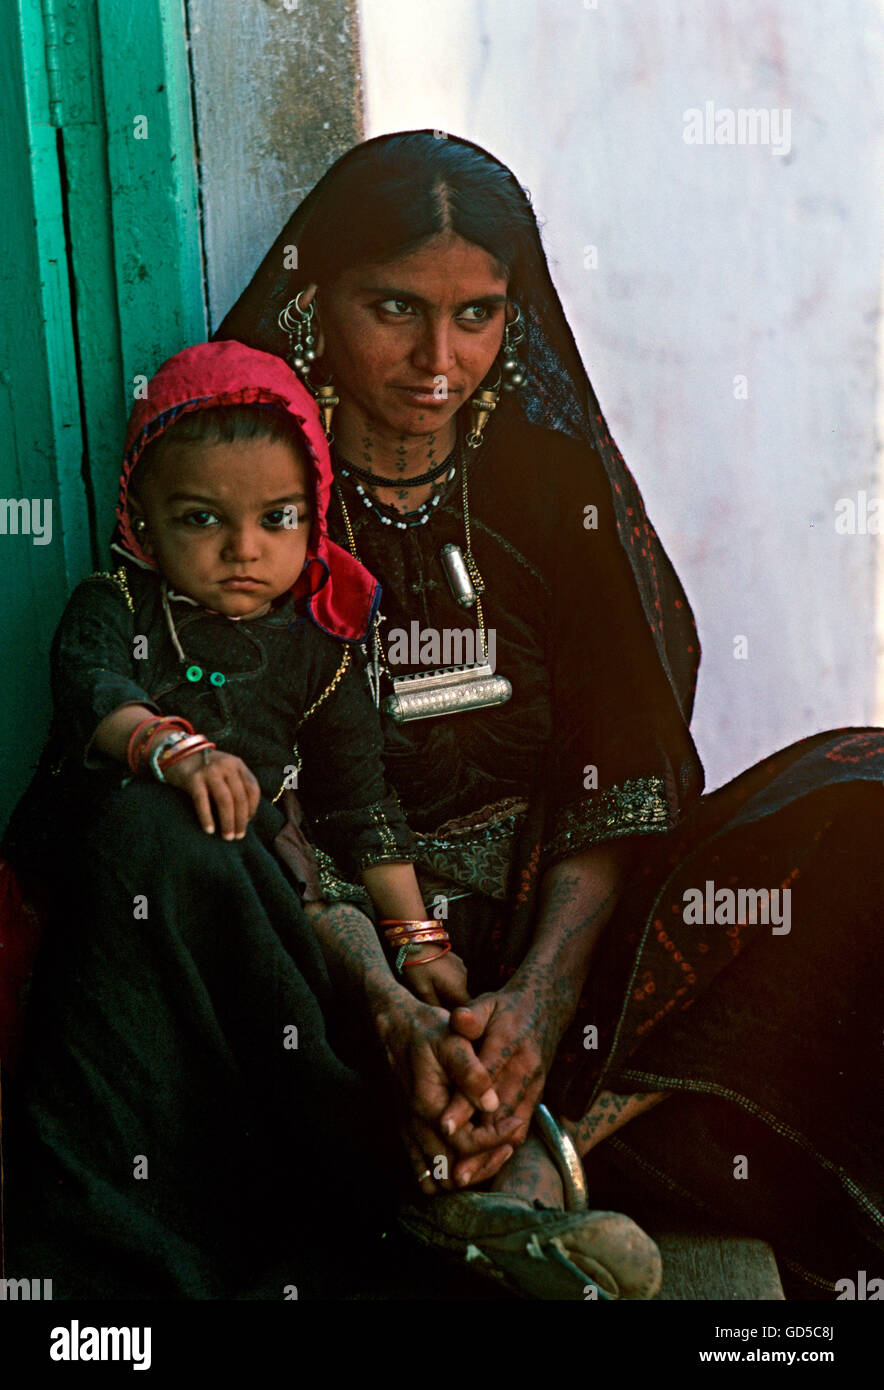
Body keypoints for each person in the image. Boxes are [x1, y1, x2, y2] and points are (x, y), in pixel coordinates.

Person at [210, 129, 884, 1298]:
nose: (439, 357)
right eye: (395, 308)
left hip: (552, 960)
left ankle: (530, 1161)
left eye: (478, 314)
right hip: (338, 959)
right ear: (316, 296)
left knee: (856, 802)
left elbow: (621, 763)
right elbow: (249, 772)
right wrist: (388, 1003)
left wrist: (533, 1000)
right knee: (189, 863)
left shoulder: (544, 482)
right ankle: (472, 1165)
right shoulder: (253, 491)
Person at [0, 339, 543, 1298]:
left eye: (278, 519)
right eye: (202, 519)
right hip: (122, 872)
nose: (244, 550)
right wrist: (173, 750)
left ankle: (362, 1209)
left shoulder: (318, 647)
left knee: (287, 983)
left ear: (313, 516)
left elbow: (356, 797)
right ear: (142, 520)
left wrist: (412, 935)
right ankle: (108, 1261)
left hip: (250, 887)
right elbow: (91, 688)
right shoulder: (115, 601)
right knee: (158, 843)